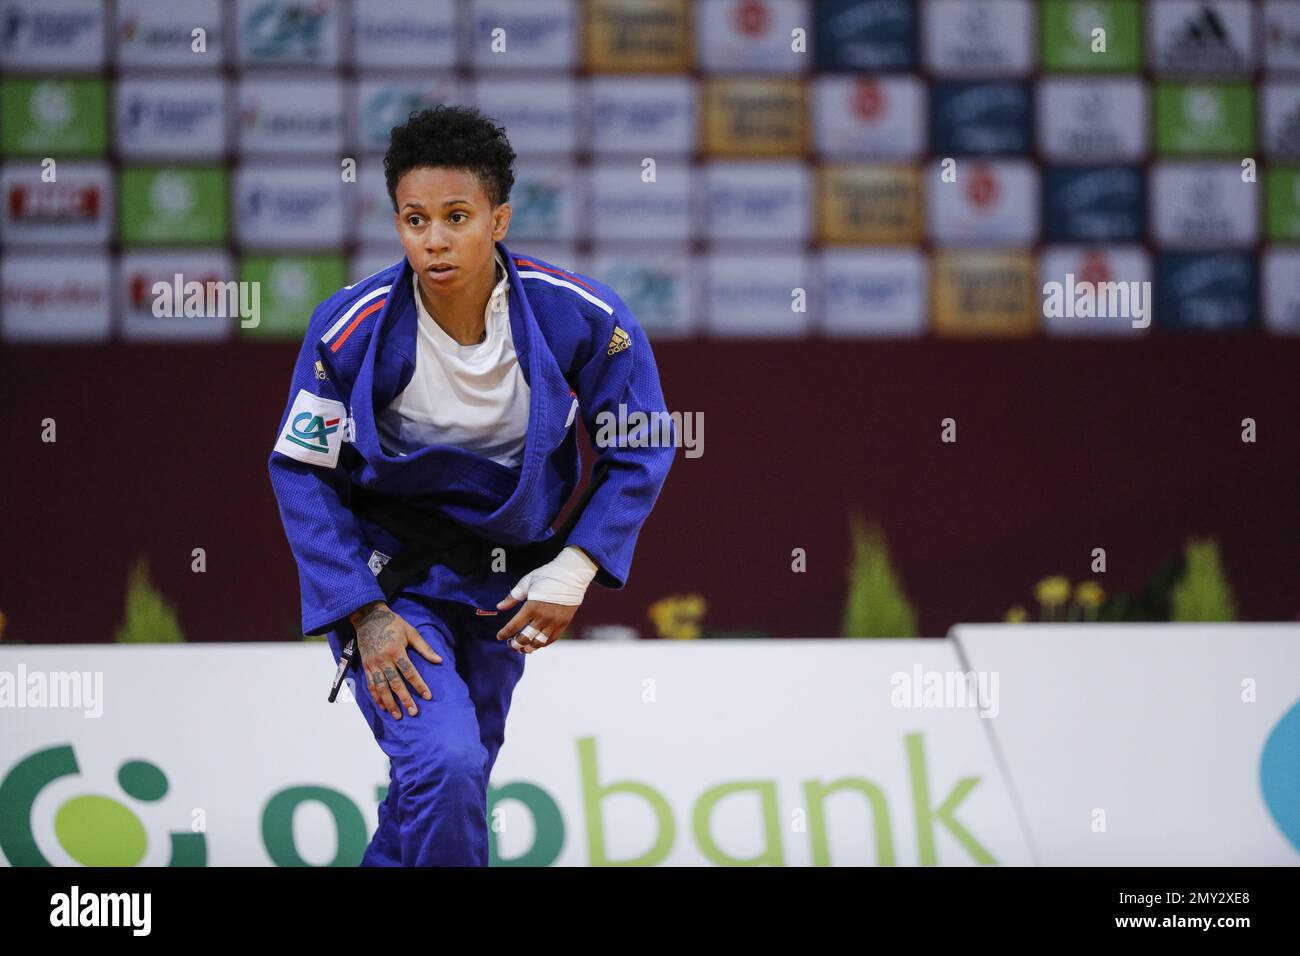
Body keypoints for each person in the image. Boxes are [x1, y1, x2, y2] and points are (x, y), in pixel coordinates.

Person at [267, 106, 674, 866]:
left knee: (448, 788)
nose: (435, 239)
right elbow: (300, 470)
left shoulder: (581, 318)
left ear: (500, 219)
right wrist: (363, 612)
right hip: (394, 585)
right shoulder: (348, 328)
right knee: (444, 765)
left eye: (457, 216)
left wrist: (574, 566)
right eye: (414, 219)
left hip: (506, 585)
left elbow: (642, 442)